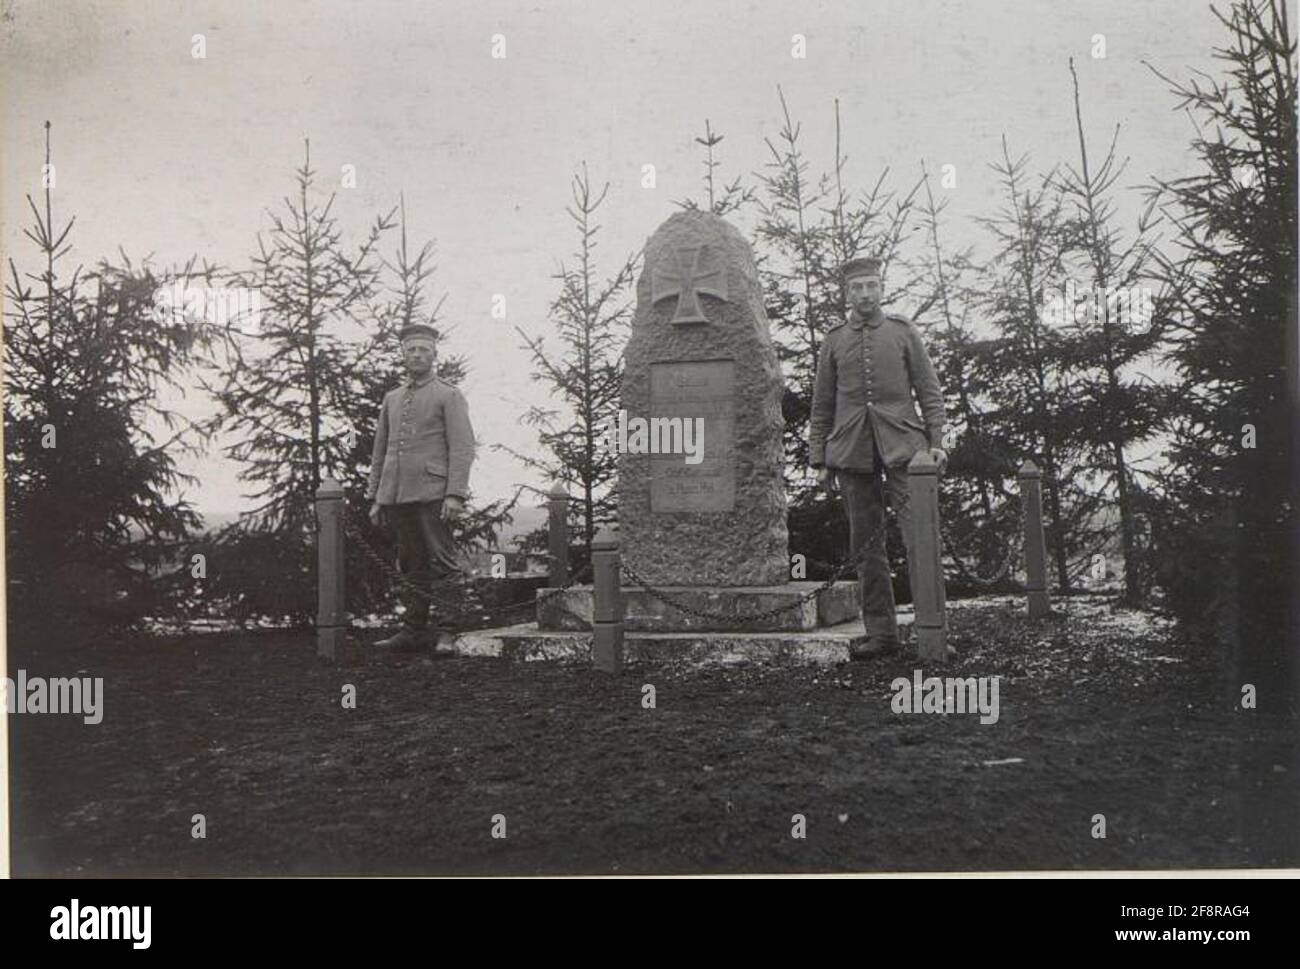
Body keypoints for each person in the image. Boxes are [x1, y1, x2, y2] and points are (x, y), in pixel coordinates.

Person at [809, 256, 947, 658]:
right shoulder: (834, 341)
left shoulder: (902, 333)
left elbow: (929, 391)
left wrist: (936, 441)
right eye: (857, 287)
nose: (865, 294)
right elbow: (822, 404)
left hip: (907, 450)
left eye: (872, 285)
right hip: (853, 452)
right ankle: (882, 635)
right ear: (846, 293)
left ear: (881, 288)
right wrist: (819, 457)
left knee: (920, 538)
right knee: (866, 547)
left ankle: (932, 631)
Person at [366, 323, 476, 649]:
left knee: (442, 561)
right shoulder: (392, 399)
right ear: (403, 355)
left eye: (423, 350)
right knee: (410, 562)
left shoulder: (448, 395)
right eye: (411, 350)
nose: (416, 355)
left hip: (433, 493)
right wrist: (376, 496)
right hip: (398, 494)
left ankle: (447, 630)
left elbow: (462, 447)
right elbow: (381, 449)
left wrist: (454, 494)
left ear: (434, 355)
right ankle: (412, 630)